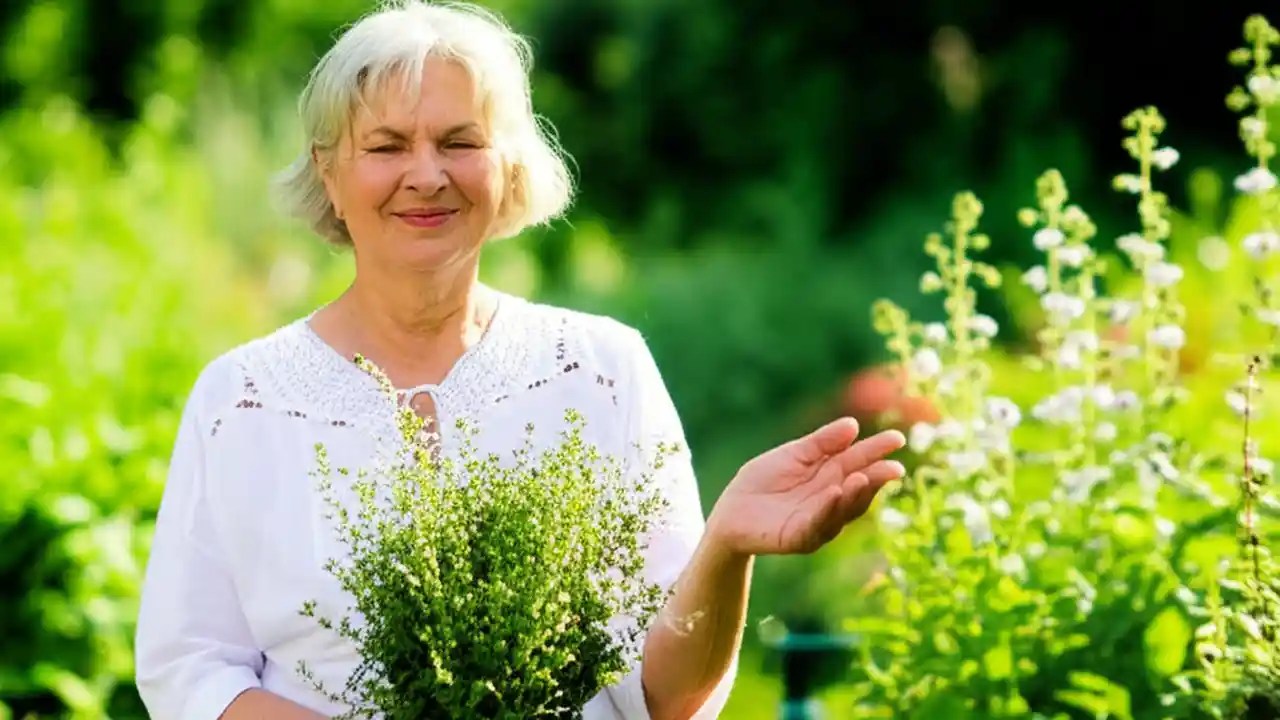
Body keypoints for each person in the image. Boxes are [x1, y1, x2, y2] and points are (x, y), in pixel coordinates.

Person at [132, 2, 907, 718]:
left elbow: (661, 697)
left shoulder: (602, 370)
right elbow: (190, 669)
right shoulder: (242, 397)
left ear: (508, 170)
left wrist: (727, 545)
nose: (427, 173)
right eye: (387, 145)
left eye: (461, 142)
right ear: (330, 173)